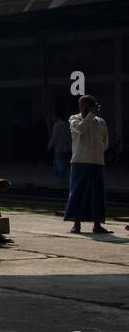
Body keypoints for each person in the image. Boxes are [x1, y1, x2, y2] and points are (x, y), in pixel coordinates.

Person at [65, 95, 110, 234]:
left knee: (97, 194)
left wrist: (96, 152)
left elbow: (105, 142)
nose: (85, 109)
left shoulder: (101, 122)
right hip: (80, 161)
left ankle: (97, 224)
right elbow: (80, 129)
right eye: (83, 106)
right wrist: (90, 116)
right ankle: (76, 223)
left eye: (89, 107)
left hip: (96, 161)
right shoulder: (74, 119)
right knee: (78, 192)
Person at [47, 113, 72, 183]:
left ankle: (60, 179)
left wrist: (50, 146)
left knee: (59, 164)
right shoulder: (67, 125)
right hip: (67, 148)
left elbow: (54, 137)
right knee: (65, 164)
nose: (52, 118)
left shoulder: (57, 125)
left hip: (59, 148)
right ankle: (62, 178)